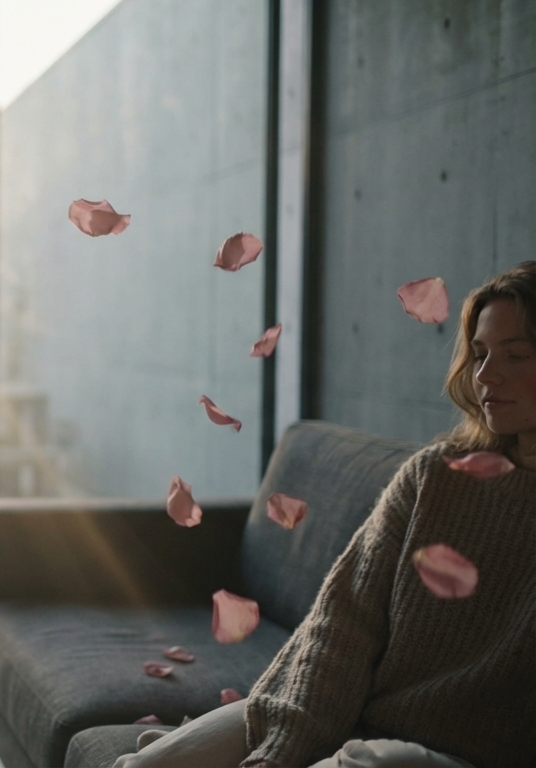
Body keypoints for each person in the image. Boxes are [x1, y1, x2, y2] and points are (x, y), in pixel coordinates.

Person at [114, 262, 536, 768]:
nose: (486, 374)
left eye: (516, 355)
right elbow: (342, 622)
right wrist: (283, 748)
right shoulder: (433, 476)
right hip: (350, 713)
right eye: (482, 354)